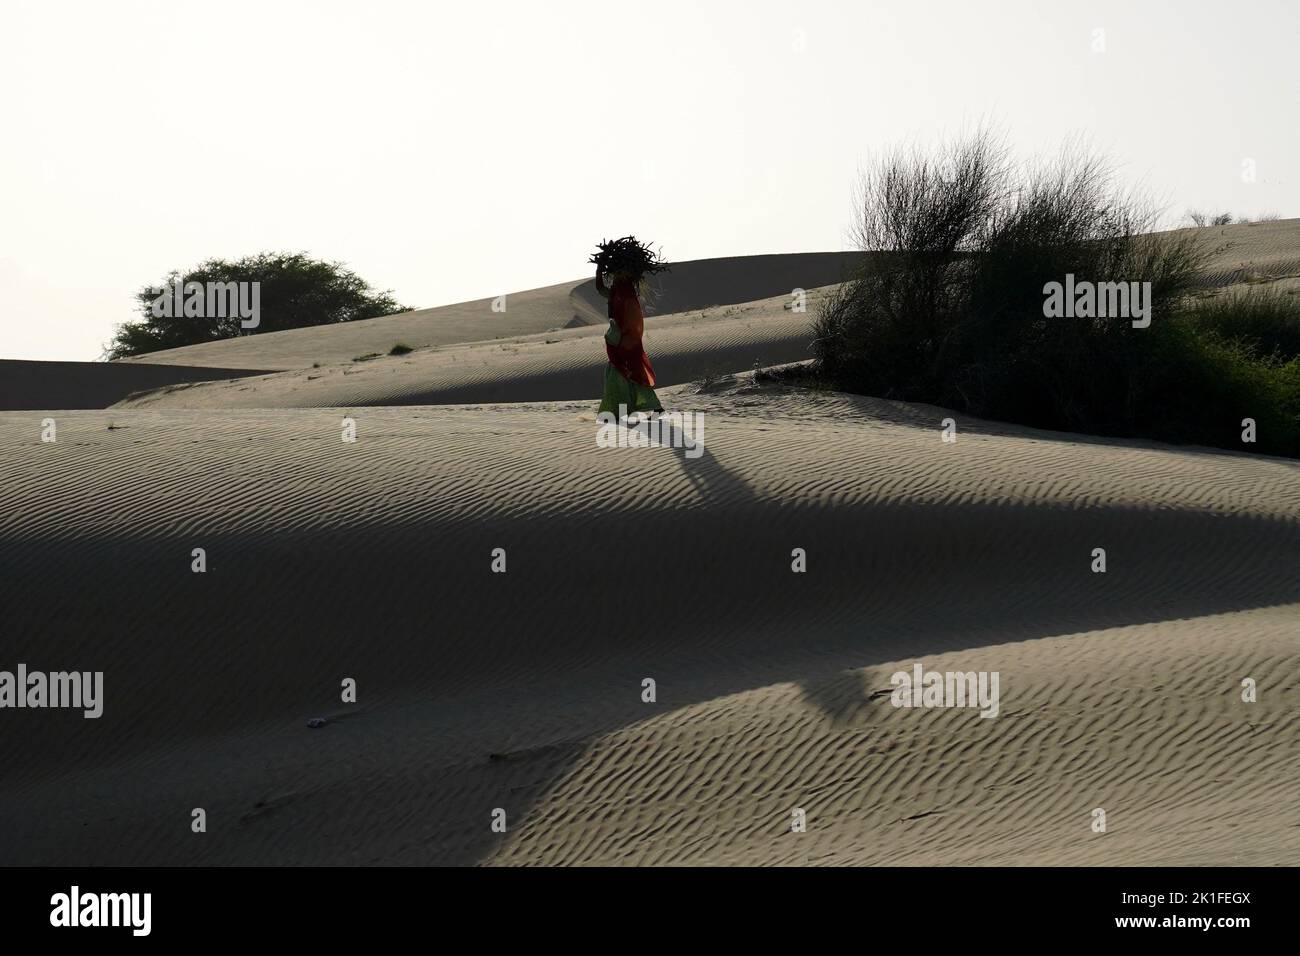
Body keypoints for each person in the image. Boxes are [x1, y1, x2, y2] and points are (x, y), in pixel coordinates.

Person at [595, 262, 664, 419]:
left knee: (623, 373)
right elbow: (600, 289)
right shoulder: (619, 294)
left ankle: (621, 411)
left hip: (624, 341)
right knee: (628, 373)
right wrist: (599, 270)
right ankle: (649, 408)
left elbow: (632, 321)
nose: (616, 279)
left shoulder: (625, 296)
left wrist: (623, 338)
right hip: (622, 340)